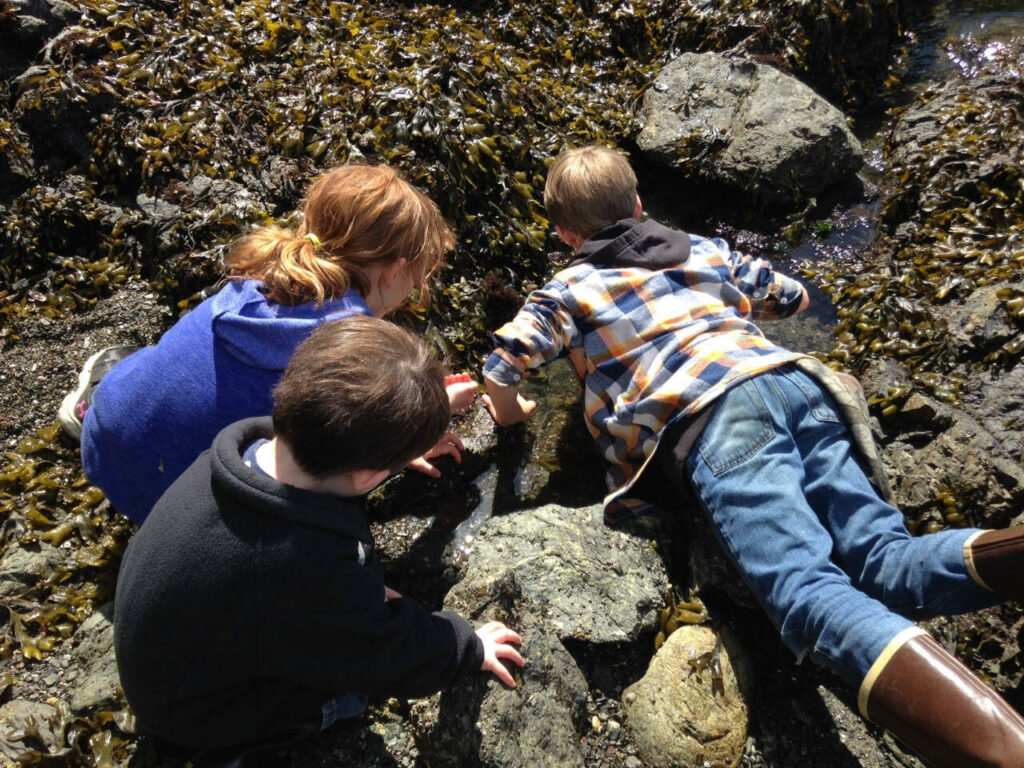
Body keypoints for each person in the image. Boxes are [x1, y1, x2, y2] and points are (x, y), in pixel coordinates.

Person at [481, 144, 1024, 768]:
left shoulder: (568, 288)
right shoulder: (704, 249)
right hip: (795, 382)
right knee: (881, 559)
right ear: (638, 203)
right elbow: (790, 296)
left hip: (715, 420)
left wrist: (509, 410)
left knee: (808, 595)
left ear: (564, 233)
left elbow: (503, 363)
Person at [114, 315, 524, 764]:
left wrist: (396, 449)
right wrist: (467, 645)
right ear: (367, 473)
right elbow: (386, 651)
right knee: (349, 694)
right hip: (194, 712)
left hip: (169, 651)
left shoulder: (242, 456)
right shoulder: (296, 564)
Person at [58, 163, 478, 524]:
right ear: (393, 271)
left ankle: (89, 400)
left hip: (106, 447)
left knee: (170, 362)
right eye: (416, 280)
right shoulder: (353, 343)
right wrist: (411, 436)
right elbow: (343, 453)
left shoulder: (261, 274)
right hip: (179, 513)